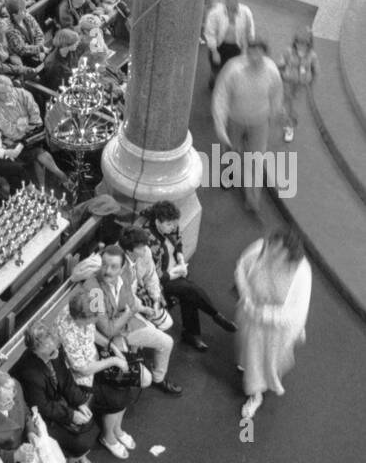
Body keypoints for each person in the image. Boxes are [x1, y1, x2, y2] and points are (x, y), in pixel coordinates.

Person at [79, 242, 183, 395]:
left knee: (167, 342)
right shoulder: (94, 289)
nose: (107, 271)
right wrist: (129, 313)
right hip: (110, 337)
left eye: (114, 267)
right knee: (140, 378)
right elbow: (107, 330)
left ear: (122, 268)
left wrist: (143, 309)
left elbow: (130, 300)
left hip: (128, 324)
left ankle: (159, 379)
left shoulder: (123, 277)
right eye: (105, 265)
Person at [130, 211, 236, 351]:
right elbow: (155, 276)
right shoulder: (150, 242)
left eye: (174, 224)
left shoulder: (167, 226)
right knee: (189, 289)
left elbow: (177, 239)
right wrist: (176, 272)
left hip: (171, 270)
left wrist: (180, 259)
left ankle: (193, 333)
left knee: (189, 291)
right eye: (169, 225)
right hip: (159, 281)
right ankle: (214, 316)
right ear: (157, 222)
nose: (172, 228)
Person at [57, 285, 142, 461]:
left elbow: (92, 332)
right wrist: (112, 361)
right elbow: (82, 368)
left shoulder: (84, 314)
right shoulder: (67, 330)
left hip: (97, 360)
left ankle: (116, 429)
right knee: (116, 399)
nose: (96, 320)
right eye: (92, 318)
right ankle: (108, 437)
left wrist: (110, 346)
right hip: (83, 378)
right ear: (81, 317)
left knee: (127, 384)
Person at [234, 229, 312, 420]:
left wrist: (260, 313)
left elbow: (293, 314)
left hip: (276, 328)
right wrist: (245, 294)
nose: (270, 254)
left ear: (289, 255)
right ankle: (252, 375)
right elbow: (241, 268)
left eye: (278, 252)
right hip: (251, 316)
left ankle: (256, 395)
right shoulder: (261, 249)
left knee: (264, 362)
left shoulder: (300, 274)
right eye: (271, 247)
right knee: (248, 351)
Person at [13, 321, 99, 463]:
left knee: (89, 423)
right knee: (80, 442)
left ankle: (79, 459)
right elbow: (42, 407)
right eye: (51, 351)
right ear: (36, 350)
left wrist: (79, 402)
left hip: (58, 403)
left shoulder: (53, 351)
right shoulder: (29, 372)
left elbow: (66, 380)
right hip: (42, 417)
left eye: (56, 347)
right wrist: (71, 415)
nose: (57, 353)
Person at [212, 39, 284, 212]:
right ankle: (227, 176)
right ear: (246, 53)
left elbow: (276, 95)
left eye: (259, 53)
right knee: (231, 150)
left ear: (265, 55)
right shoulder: (233, 68)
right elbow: (221, 96)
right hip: (235, 118)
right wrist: (220, 124)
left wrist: (274, 115)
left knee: (256, 159)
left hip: (259, 121)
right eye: (251, 53)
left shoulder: (272, 71)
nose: (255, 57)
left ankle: (252, 200)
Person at [203, 0, 255, 89]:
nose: (237, 1)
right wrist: (214, 52)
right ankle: (214, 79)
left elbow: (250, 29)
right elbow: (210, 33)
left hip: (236, 47)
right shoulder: (215, 12)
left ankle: (225, 86)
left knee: (231, 69)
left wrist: (250, 45)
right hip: (219, 46)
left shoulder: (245, 12)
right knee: (216, 67)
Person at [278, 28, 319, 143]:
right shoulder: (288, 51)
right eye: (298, 42)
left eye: (304, 43)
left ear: (309, 43)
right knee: (286, 102)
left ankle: (290, 126)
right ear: (295, 42)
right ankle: (286, 120)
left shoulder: (312, 56)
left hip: (301, 86)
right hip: (287, 82)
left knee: (294, 107)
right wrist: (282, 74)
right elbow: (281, 64)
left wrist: (310, 83)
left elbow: (315, 70)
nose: (301, 45)